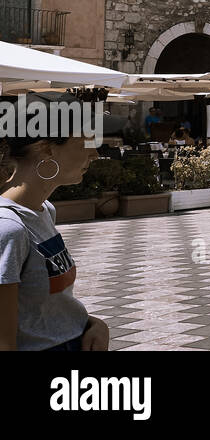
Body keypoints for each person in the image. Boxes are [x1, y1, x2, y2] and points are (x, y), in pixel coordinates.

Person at [0, 106, 111, 351]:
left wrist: (93, 325)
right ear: (47, 148)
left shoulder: (44, 210)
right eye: (85, 140)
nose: (94, 153)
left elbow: (40, 308)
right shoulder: (8, 228)